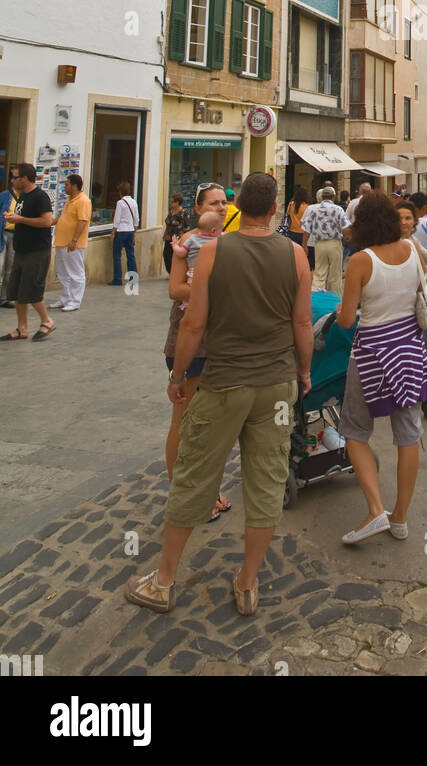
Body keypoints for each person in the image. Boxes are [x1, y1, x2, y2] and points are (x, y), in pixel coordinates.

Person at [125, 172, 313, 616]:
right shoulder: (295, 255)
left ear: (235, 207)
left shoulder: (212, 252)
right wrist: (303, 371)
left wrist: (177, 375)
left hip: (224, 380)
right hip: (276, 387)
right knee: (266, 480)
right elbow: (302, 324)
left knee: (195, 475)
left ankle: (165, 580)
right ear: (273, 209)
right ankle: (248, 581)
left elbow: (193, 323)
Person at [335, 192, 427, 544]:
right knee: (408, 435)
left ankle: (376, 510)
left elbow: (347, 320)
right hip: (409, 350)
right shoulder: (412, 250)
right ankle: (401, 518)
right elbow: (423, 293)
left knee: (355, 431)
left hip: (371, 355)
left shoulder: (361, 261)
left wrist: (337, 312)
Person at [165, 184, 230, 521]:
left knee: (208, 422)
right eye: (214, 203)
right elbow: (175, 289)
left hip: (216, 339)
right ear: (199, 207)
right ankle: (185, 494)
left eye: (224, 202)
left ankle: (203, 489)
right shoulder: (189, 241)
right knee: (186, 419)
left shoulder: (223, 240)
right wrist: (209, 286)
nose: (221, 207)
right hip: (190, 340)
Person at [1, 164, 55, 341]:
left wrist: (20, 219)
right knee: (16, 291)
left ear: (24, 178)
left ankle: (47, 321)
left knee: (31, 290)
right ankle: (21, 328)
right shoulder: (22, 197)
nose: (12, 180)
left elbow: (47, 222)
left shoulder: (40, 197)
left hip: (37, 250)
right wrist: (13, 219)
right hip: (22, 249)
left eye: (15, 177)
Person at [50, 174, 92, 311]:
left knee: (76, 273)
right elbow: (62, 217)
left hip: (73, 244)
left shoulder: (83, 201)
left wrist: (74, 240)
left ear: (74, 186)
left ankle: (75, 301)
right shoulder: (70, 199)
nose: (65, 187)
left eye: (67, 184)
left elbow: (82, 221)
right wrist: (51, 222)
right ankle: (65, 298)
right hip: (61, 242)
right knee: (62, 272)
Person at [302, 185, 352, 294]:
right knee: (335, 275)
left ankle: (315, 298)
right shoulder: (338, 209)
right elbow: (346, 228)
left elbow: (306, 229)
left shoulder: (314, 210)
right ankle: (334, 302)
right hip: (334, 244)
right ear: (334, 197)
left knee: (319, 274)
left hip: (319, 244)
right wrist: (348, 238)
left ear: (322, 196)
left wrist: (304, 245)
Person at [171, 211, 222, 278]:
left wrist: (175, 245)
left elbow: (181, 253)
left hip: (194, 273)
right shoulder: (219, 240)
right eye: (221, 230)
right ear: (213, 230)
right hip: (213, 273)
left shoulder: (192, 239)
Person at [111, 182, 139, 286]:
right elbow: (136, 219)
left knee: (117, 255)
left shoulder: (120, 203)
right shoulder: (134, 202)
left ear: (120, 192)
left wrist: (113, 232)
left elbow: (117, 219)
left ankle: (117, 279)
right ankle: (133, 278)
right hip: (130, 231)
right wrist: (134, 233)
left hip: (121, 231)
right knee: (130, 255)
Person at [0, 167, 19, 308]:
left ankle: (5, 298)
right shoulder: (4, 195)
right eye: (13, 178)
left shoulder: (26, 197)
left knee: (10, 267)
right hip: (2, 233)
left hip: (16, 235)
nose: (14, 180)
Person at [162, 194, 189, 274]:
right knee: (166, 255)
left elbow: (187, 227)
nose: (171, 203)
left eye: (172, 202)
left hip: (178, 239)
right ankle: (170, 272)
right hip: (169, 238)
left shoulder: (183, 213)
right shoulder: (171, 212)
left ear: (177, 202)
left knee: (175, 256)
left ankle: (174, 273)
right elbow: (168, 224)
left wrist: (182, 237)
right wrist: (165, 233)